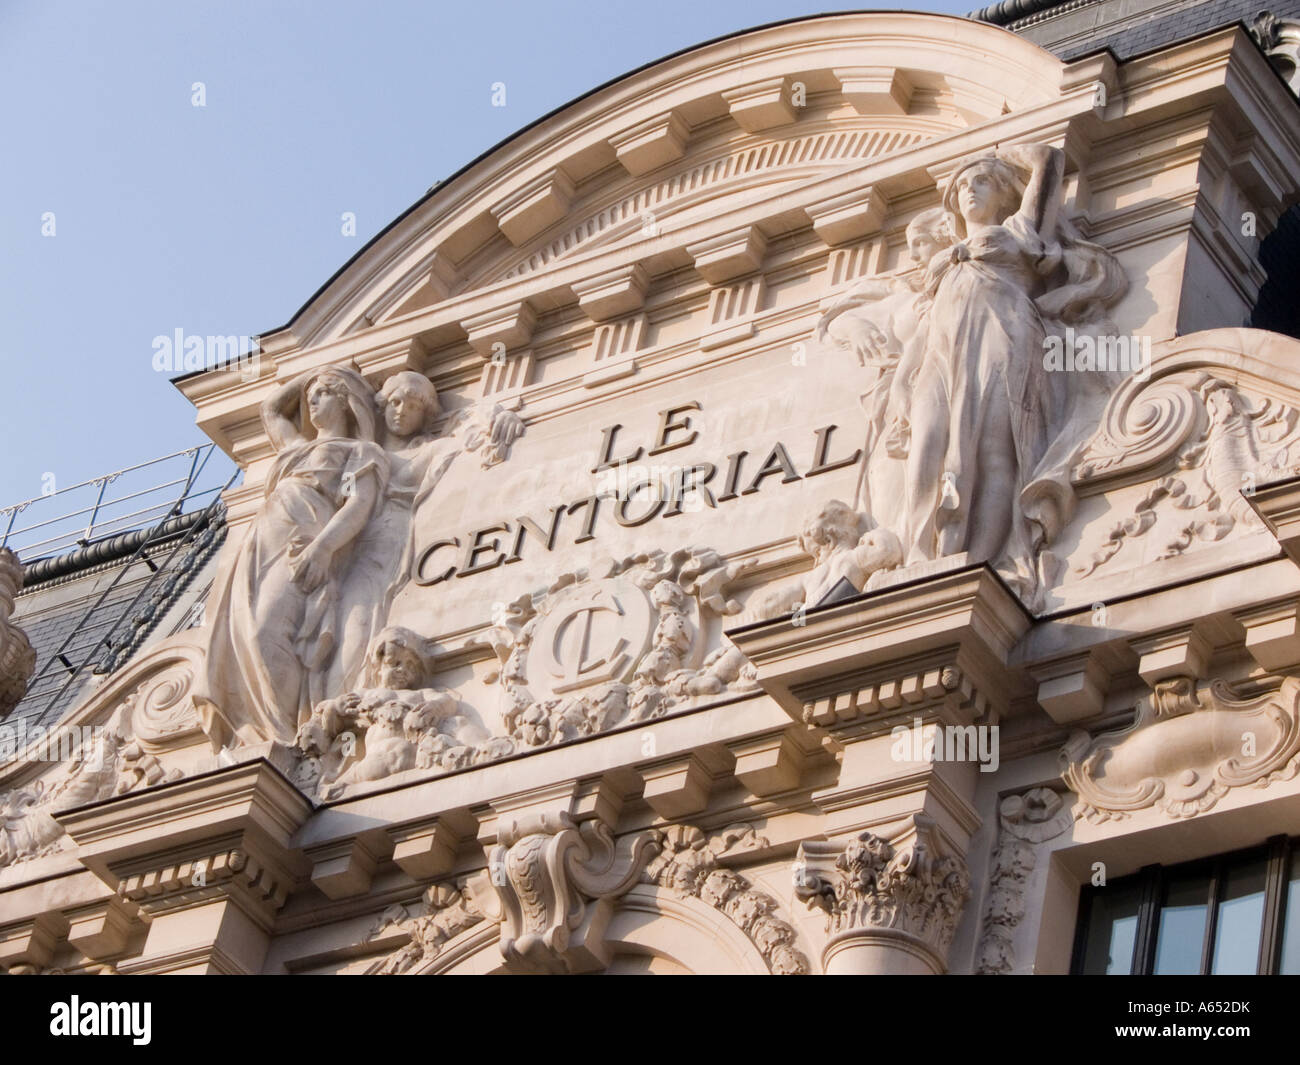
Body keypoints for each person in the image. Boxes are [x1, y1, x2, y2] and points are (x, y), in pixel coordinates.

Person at [195, 366, 389, 748]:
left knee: (267, 628)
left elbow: (359, 503)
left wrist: (324, 548)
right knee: (242, 627)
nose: (313, 401)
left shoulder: (358, 452)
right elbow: (271, 410)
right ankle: (256, 737)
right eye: (310, 396)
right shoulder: (296, 450)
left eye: (325, 394)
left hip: (304, 545)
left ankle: (279, 736)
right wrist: (317, 370)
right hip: (262, 542)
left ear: (347, 402)